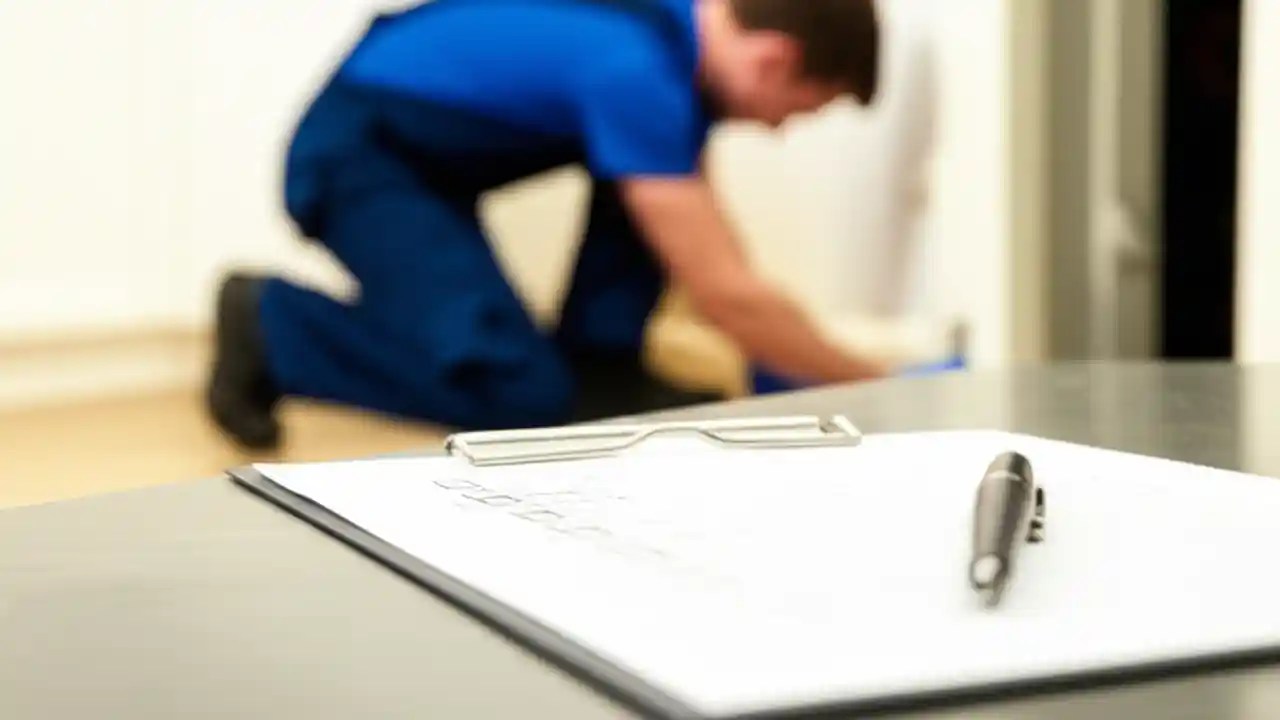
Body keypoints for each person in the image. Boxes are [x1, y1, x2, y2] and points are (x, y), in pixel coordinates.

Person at [208, 0, 886, 451]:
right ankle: (274, 325)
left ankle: (603, 376)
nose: (776, 129)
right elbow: (722, 290)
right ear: (775, 59)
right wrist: (871, 383)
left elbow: (703, 241)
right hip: (357, 161)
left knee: (647, 193)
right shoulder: (636, 68)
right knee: (518, 394)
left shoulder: (669, 42)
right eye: (794, 111)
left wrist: (776, 343)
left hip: (417, 160)